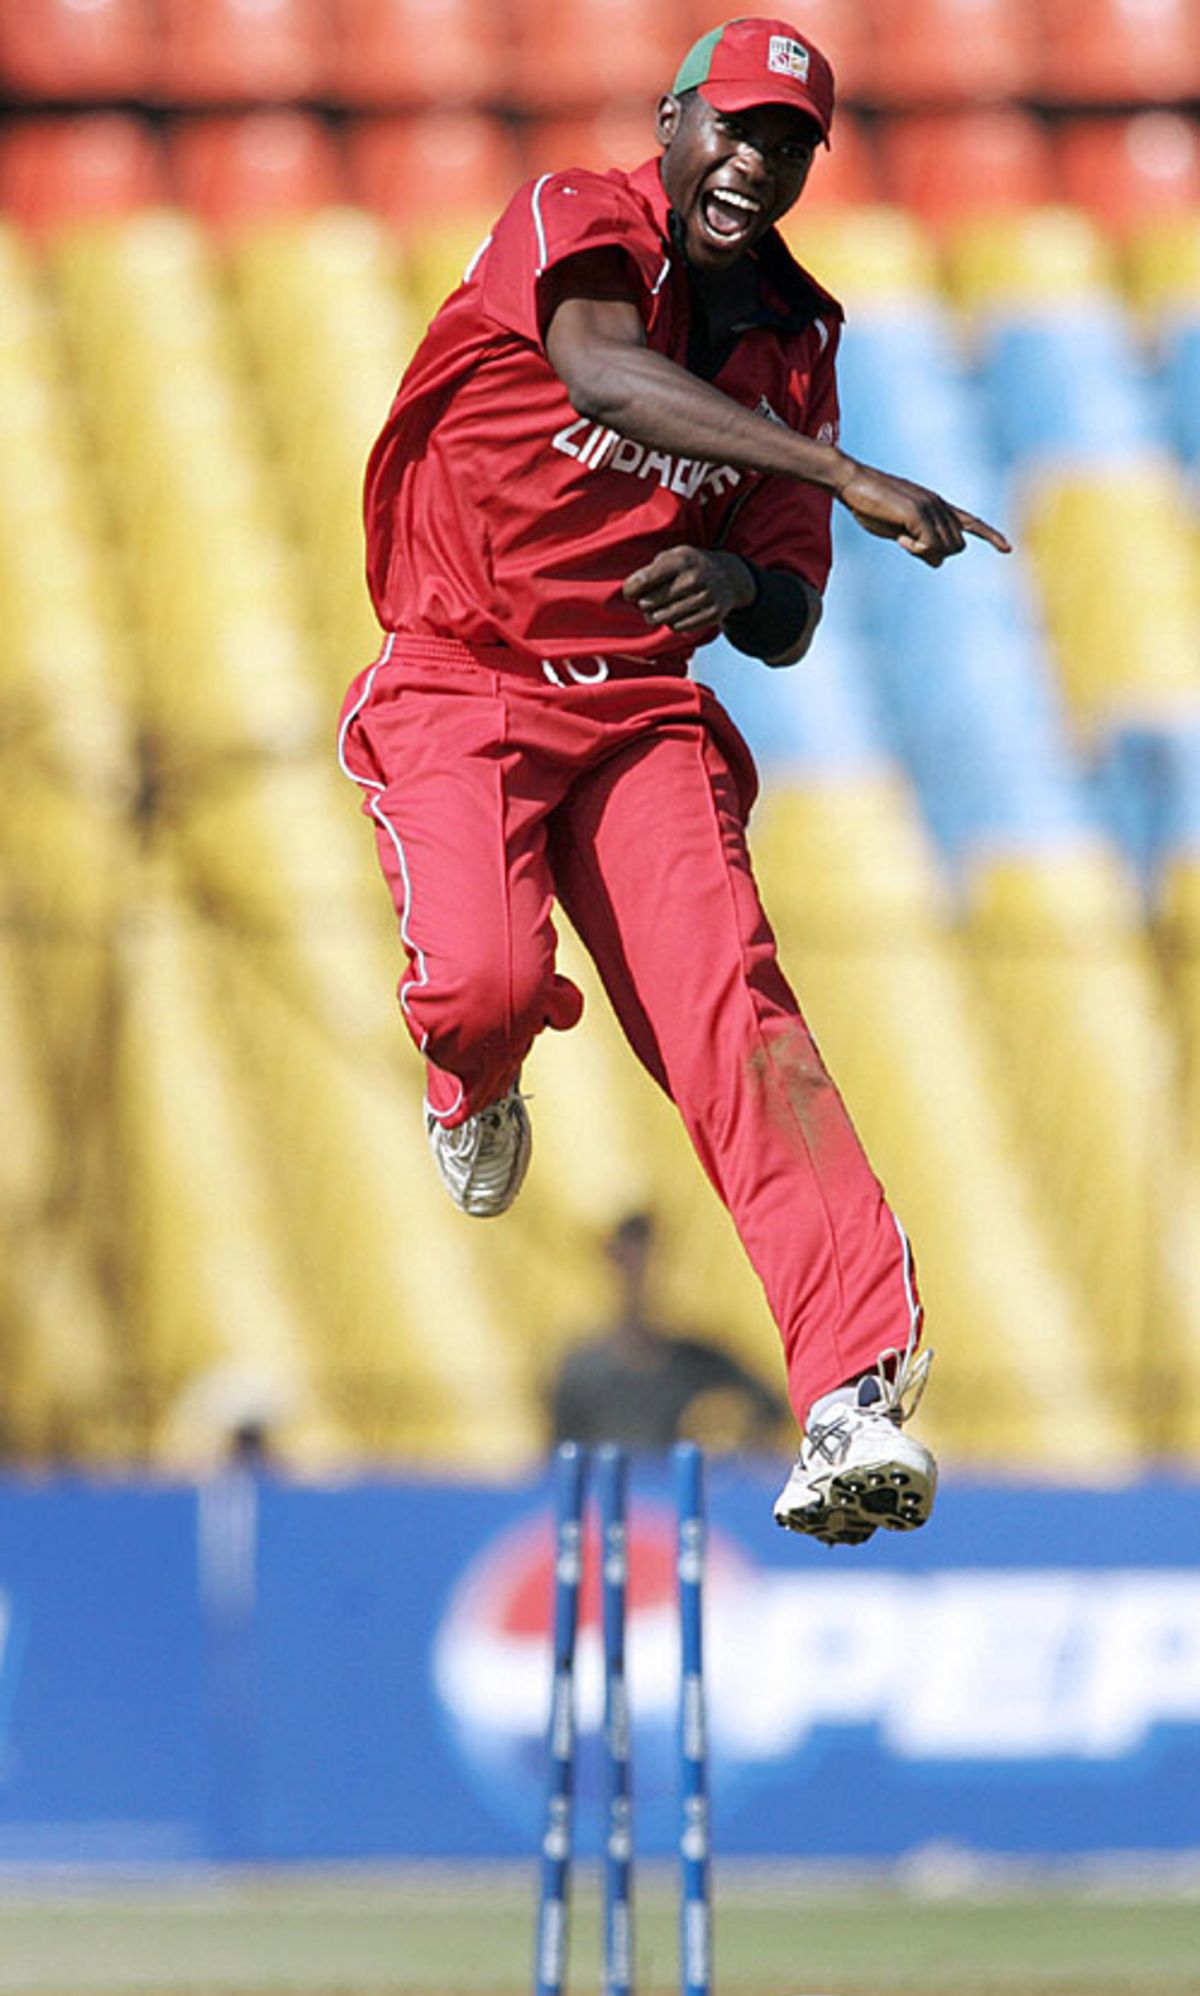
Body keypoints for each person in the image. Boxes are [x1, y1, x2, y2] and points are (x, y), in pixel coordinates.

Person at [338, 16, 1011, 1546]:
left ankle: (851, 1394)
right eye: (736, 128)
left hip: (640, 719)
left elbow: (788, 614)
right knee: (482, 984)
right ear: (672, 120)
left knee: (742, 1026)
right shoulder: (576, 220)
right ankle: (479, 1073)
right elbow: (598, 374)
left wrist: (737, 569)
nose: (754, 164)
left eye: (788, 145)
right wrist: (833, 468)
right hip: (467, 676)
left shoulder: (795, 339)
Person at [548, 1209, 790, 1452]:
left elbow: (772, 1407)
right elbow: (558, 1455)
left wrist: (726, 1421)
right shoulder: (581, 1371)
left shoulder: (698, 1360)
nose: (640, 1276)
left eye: (646, 1261)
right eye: (627, 1262)